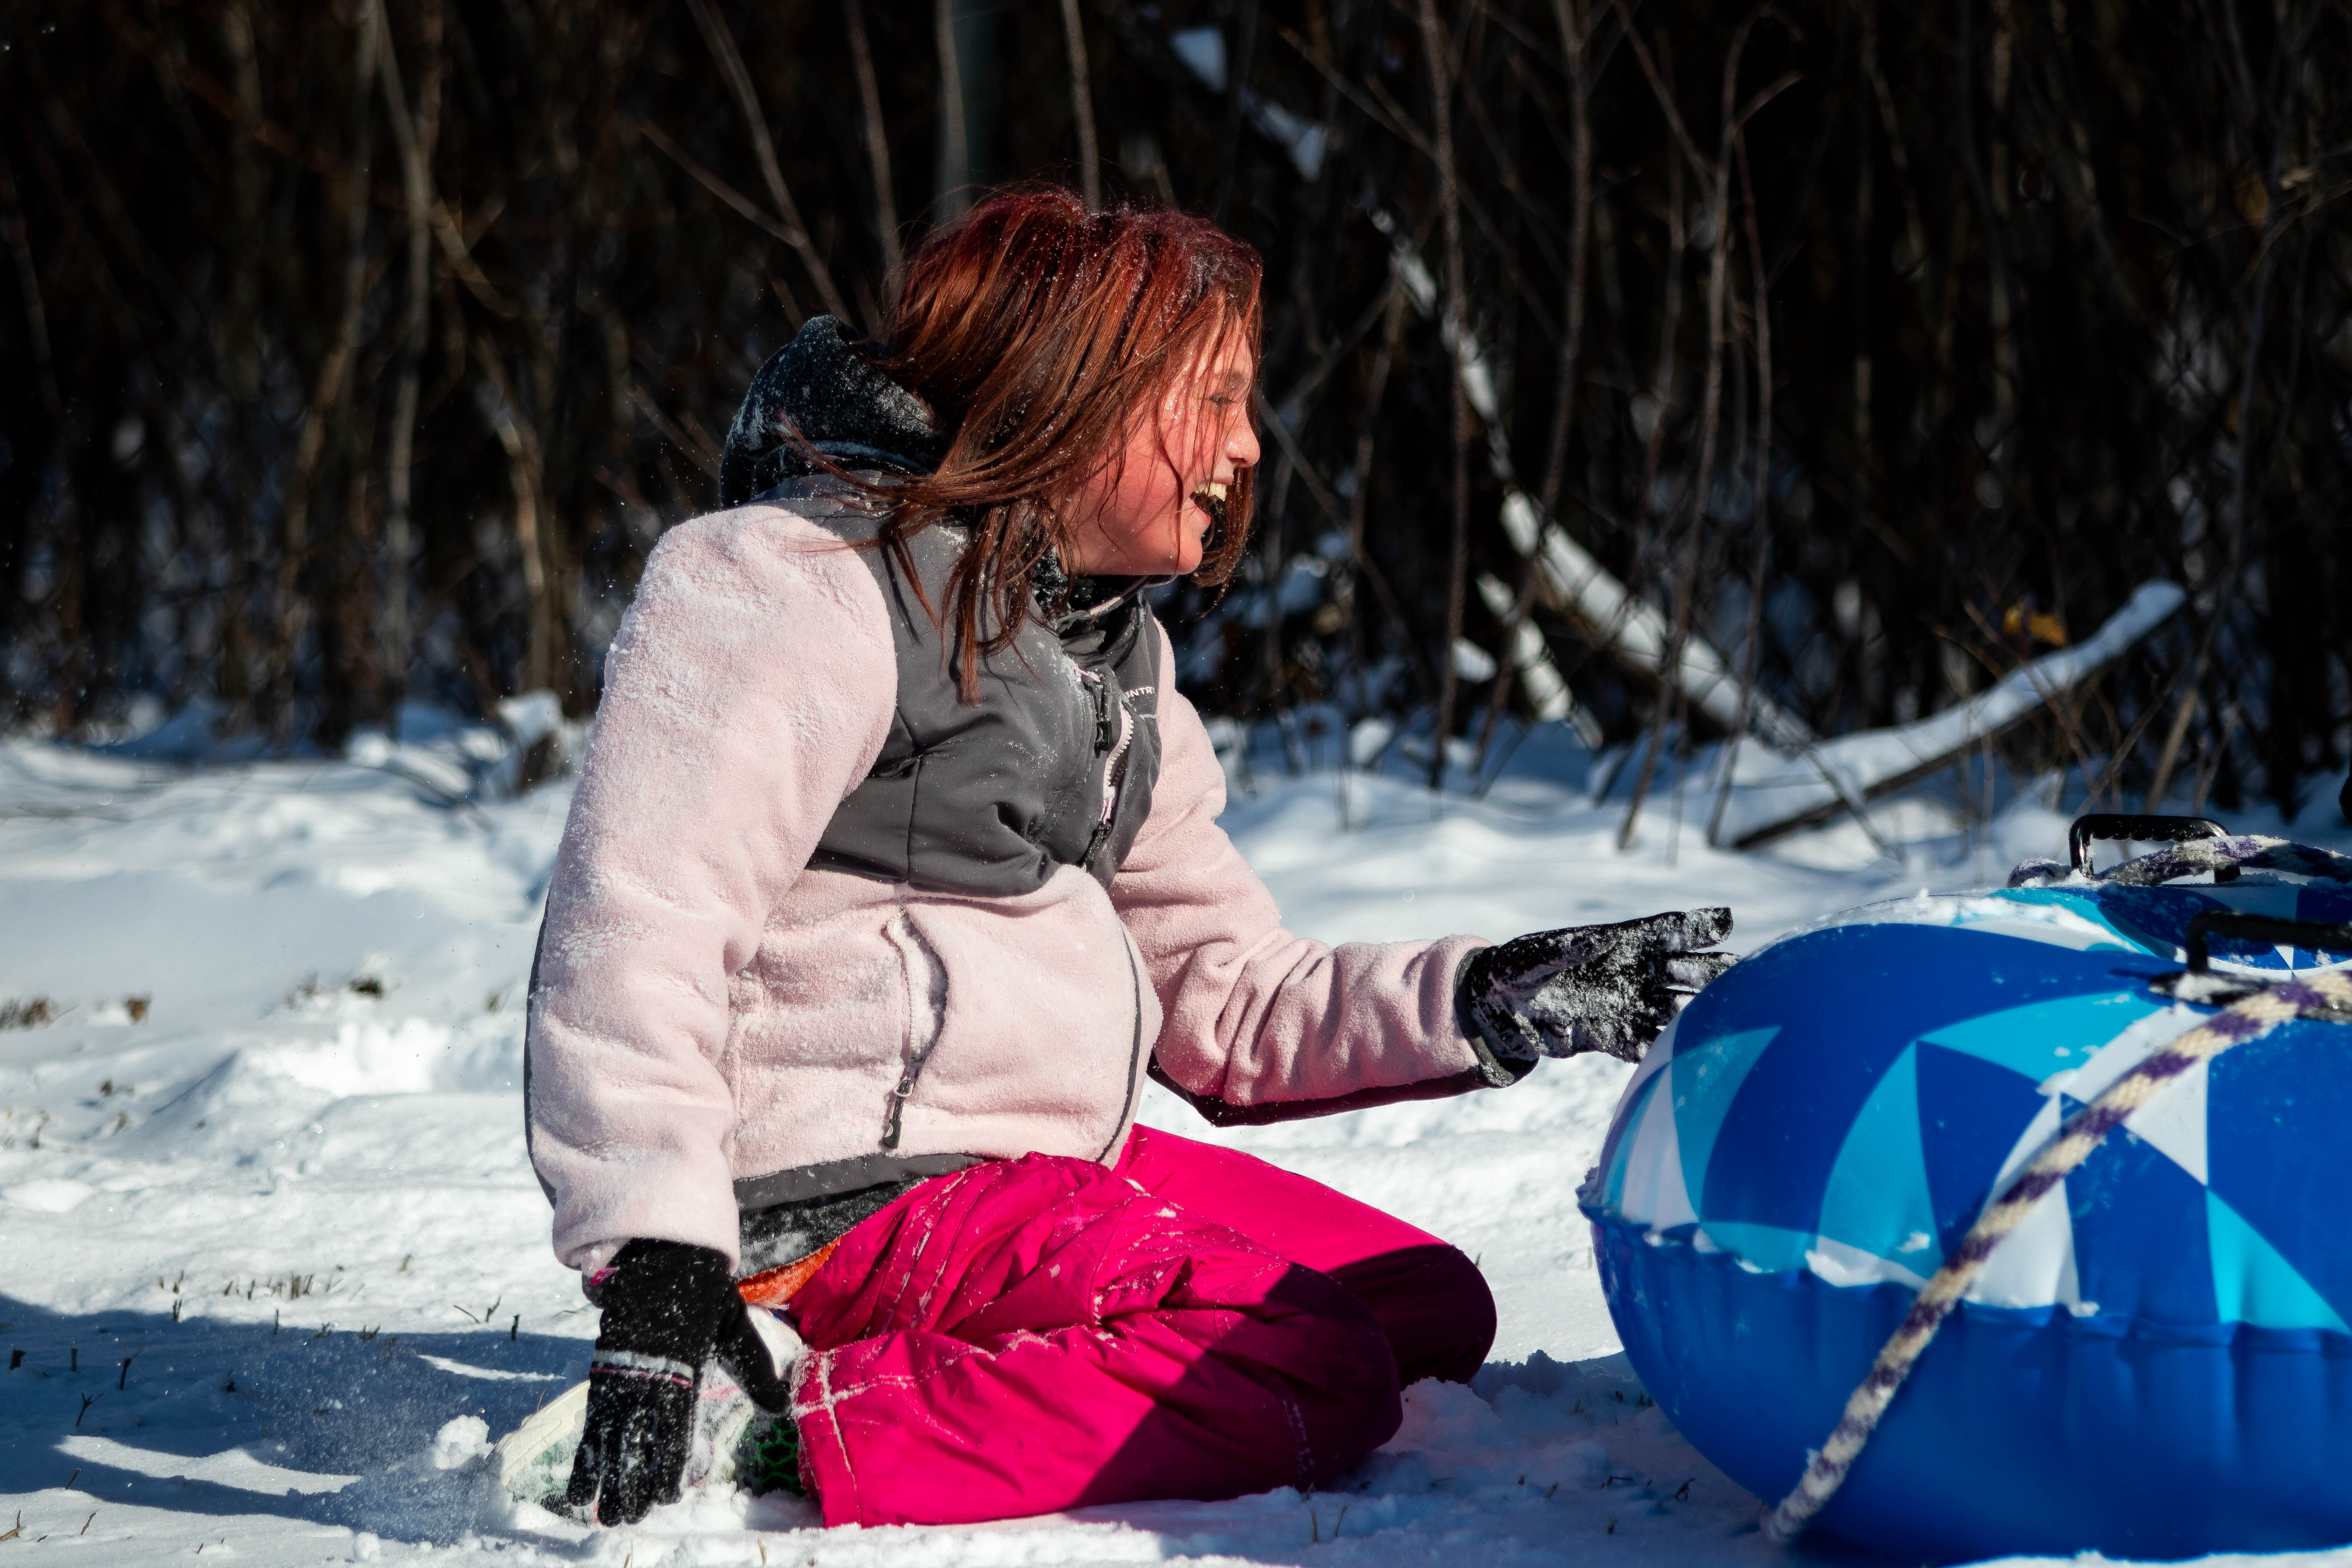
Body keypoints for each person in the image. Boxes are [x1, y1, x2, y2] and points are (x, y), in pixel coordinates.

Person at [524, 186, 1735, 1530]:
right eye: (1207, 400)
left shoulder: (1119, 660)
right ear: (1072, 393)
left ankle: (990, 1361)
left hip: (1032, 1175)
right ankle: (774, 1431)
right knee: (1305, 1361)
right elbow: (640, 923)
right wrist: (657, 1258)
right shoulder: (799, 580)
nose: (1243, 449)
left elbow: (1226, 995)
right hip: (846, 1202)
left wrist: (1485, 997)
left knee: (1420, 1306)